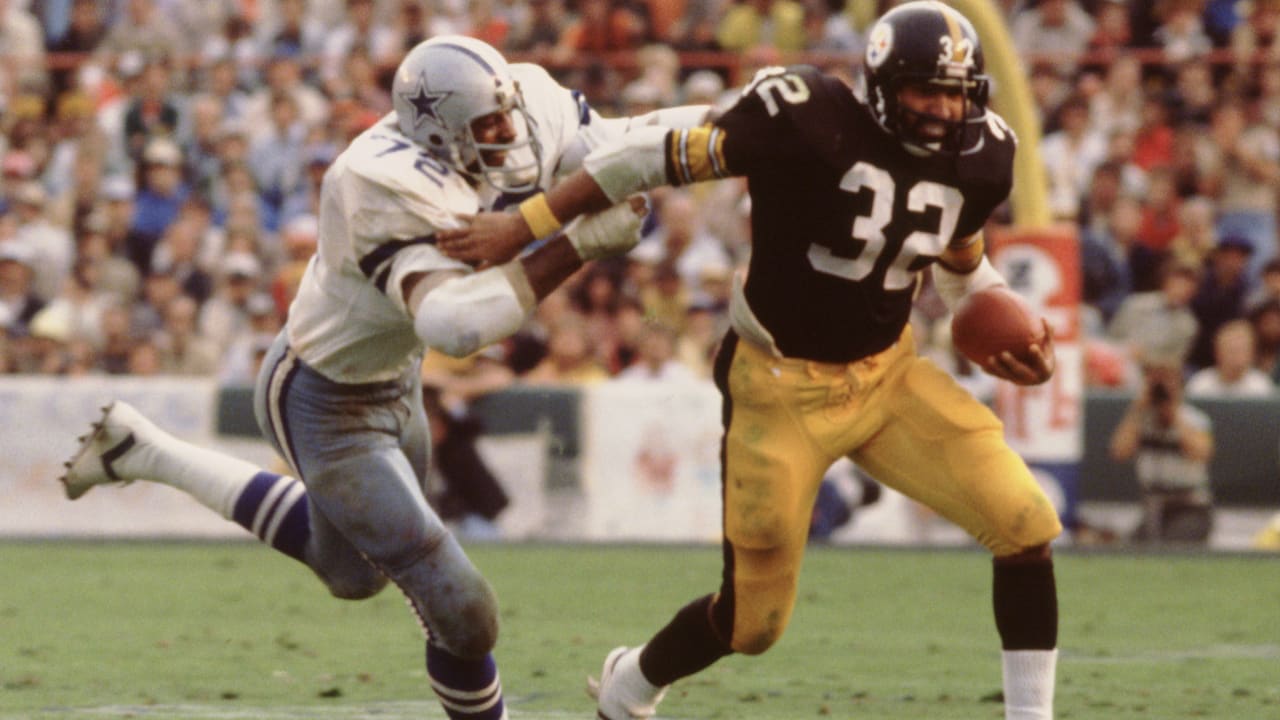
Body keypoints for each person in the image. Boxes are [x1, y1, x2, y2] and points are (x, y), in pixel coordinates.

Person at [438, 4, 1063, 719]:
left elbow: (960, 266)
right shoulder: (805, 117)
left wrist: (1002, 318)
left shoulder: (983, 154)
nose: (944, 109)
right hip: (777, 386)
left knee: (1025, 522)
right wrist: (524, 223)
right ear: (883, 84)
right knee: (752, 624)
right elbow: (645, 158)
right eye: (927, 89)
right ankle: (633, 681)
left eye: (958, 92)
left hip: (888, 376)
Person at [58, 36, 709, 720]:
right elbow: (456, 326)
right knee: (462, 606)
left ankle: (144, 450)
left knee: (351, 574)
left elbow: (623, 141)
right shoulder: (377, 179)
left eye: (506, 113)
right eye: (486, 127)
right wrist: (576, 244)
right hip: (322, 397)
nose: (507, 133)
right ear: (437, 133)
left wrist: (745, 128)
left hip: (396, 380)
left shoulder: (519, 99)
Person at [1108, 360, 1215, 544]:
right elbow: (1119, 452)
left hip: (1189, 507)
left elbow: (1201, 453)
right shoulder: (1141, 419)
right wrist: (1138, 408)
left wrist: (1173, 413)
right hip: (1153, 507)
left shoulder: (1193, 419)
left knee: (1172, 545)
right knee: (1129, 551)